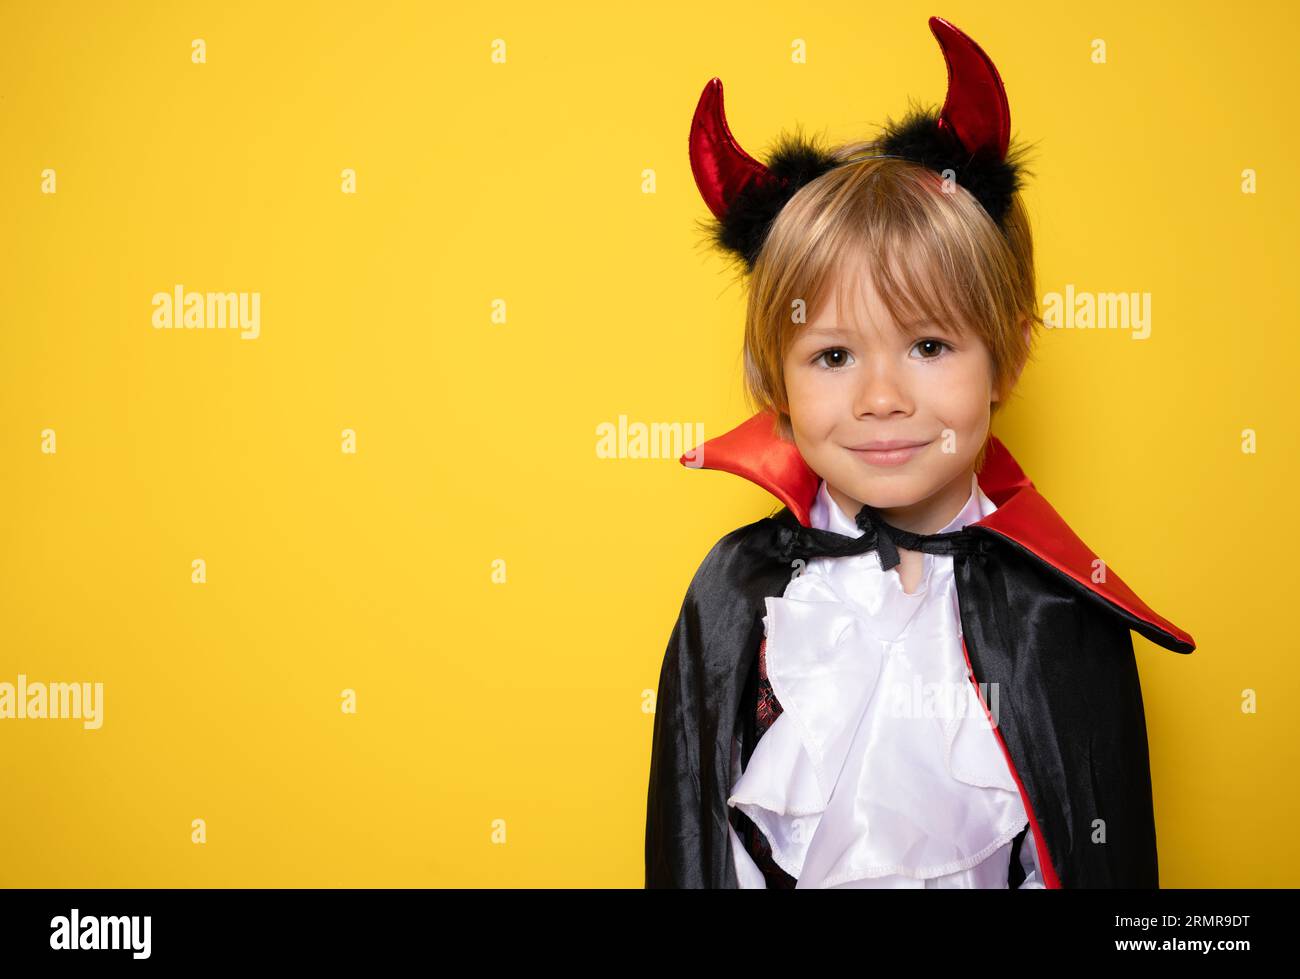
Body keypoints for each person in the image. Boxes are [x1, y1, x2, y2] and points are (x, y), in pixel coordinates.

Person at [645, 16, 1196, 889]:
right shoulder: (736, 592)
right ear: (775, 384)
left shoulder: (1061, 607)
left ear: (1006, 355)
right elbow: (687, 839)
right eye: (833, 355)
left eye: (929, 346)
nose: (882, 397)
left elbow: (1110, 859)